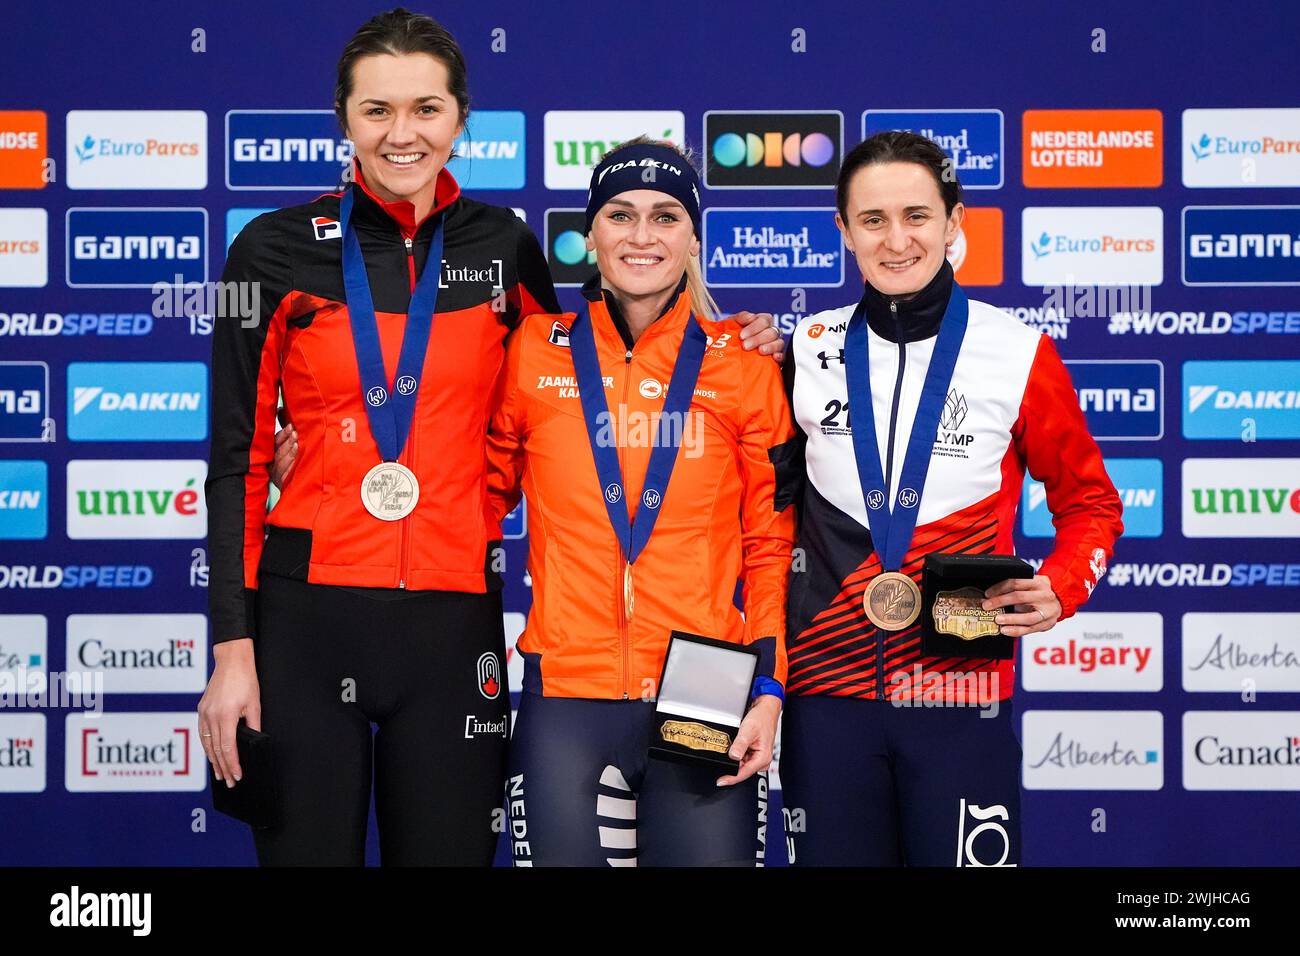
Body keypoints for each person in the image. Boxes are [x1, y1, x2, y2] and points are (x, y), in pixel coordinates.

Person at [200, 8, 783, 867]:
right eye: (378, 110)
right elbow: (235, 461)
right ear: (344, 120)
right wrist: (231, 650)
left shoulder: (502, 248)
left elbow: (588, 383)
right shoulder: (271, 249)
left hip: (450, 627)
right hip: (304, 621)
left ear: (460, 120)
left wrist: (732, 343)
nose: (404, 134)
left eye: (428, 109)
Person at [777, 130, 1124, 867]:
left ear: (955, 223)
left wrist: (1061, 587)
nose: (896, 239)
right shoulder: (805, 348)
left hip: (960, 684)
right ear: (842, 231)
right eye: (872, 220)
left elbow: (1091, 502)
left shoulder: (1018, 350)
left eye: (917, 216)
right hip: (826, 688)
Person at [485, 137, 798, 866]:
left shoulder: (745, 365)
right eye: (620, 215)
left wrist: (770, 687)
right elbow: (479, 493)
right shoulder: (535, 350)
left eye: (664, 217)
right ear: (590, 233)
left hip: (707, 683)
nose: (641, 236)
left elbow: (771, 545)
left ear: (693, 236)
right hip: (566, 688)